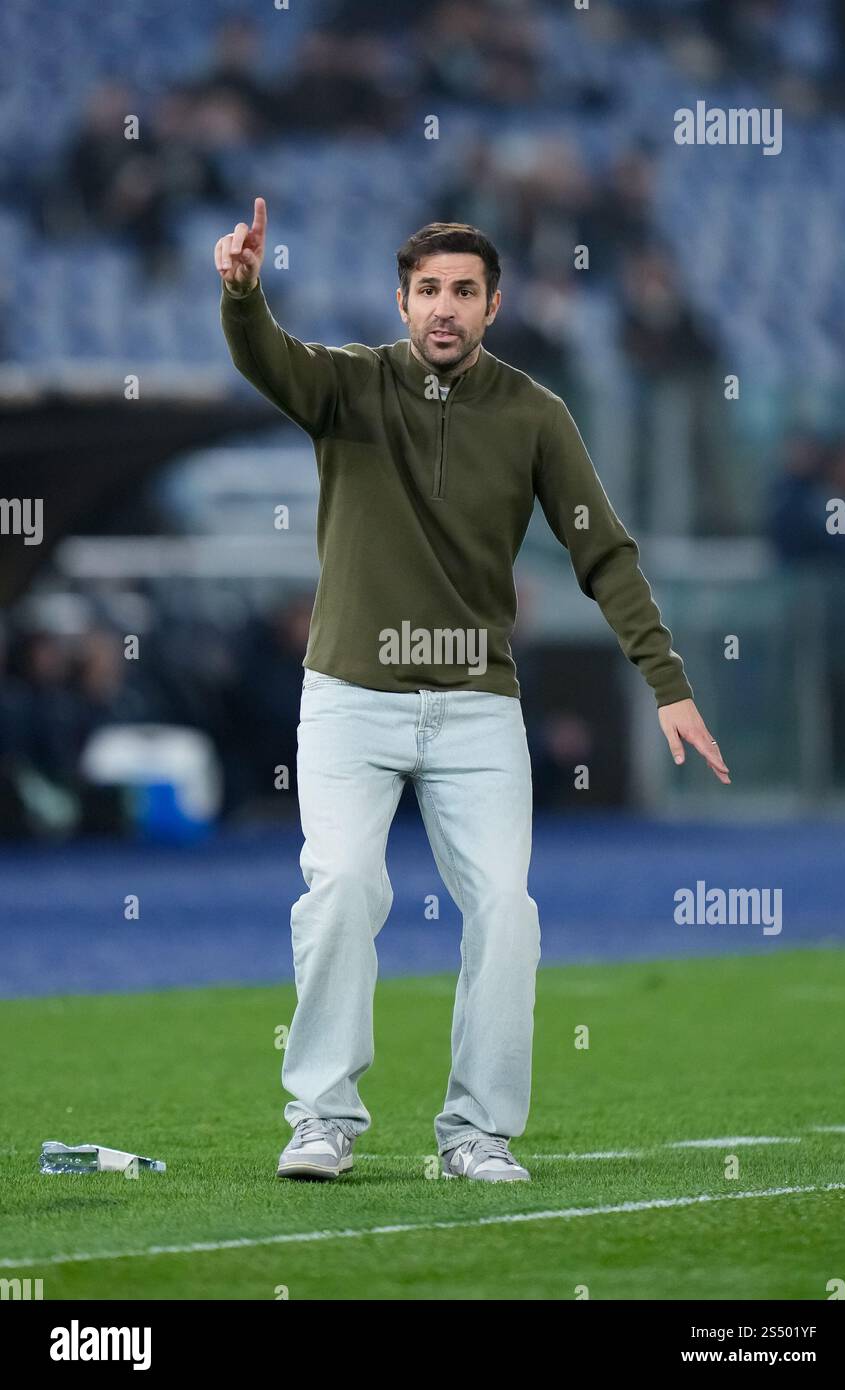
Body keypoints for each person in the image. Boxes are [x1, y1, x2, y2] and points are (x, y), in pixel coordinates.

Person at [215, 199, 730, 1184]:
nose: (441, 308)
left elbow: (603, 553)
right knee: (342, 888)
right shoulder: (348, 387)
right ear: (399, 302)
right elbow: (266, 357)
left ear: (492, 306)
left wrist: (663, 681)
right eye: (425, 291)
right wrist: (242, 294)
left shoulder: (535, 414)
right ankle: (321, 1115)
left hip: (476, 707)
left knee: (505, 910)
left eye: (462, 291)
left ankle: (474, 1135)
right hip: (347, 699)